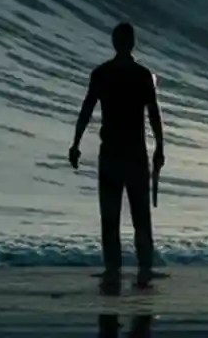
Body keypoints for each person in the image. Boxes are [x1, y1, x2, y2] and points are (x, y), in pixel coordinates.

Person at [69, 22, 165, 291]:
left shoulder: (102, 74)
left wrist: (75, 143)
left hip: (111, 154)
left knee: (110, 219)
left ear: (114, 42)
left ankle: (112, 273)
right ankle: (144, 273)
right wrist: (160, 147)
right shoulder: (142, 75)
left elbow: (86, 109)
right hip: (134, 154)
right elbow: (154, 114)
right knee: (141, 218)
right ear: (132, 43)